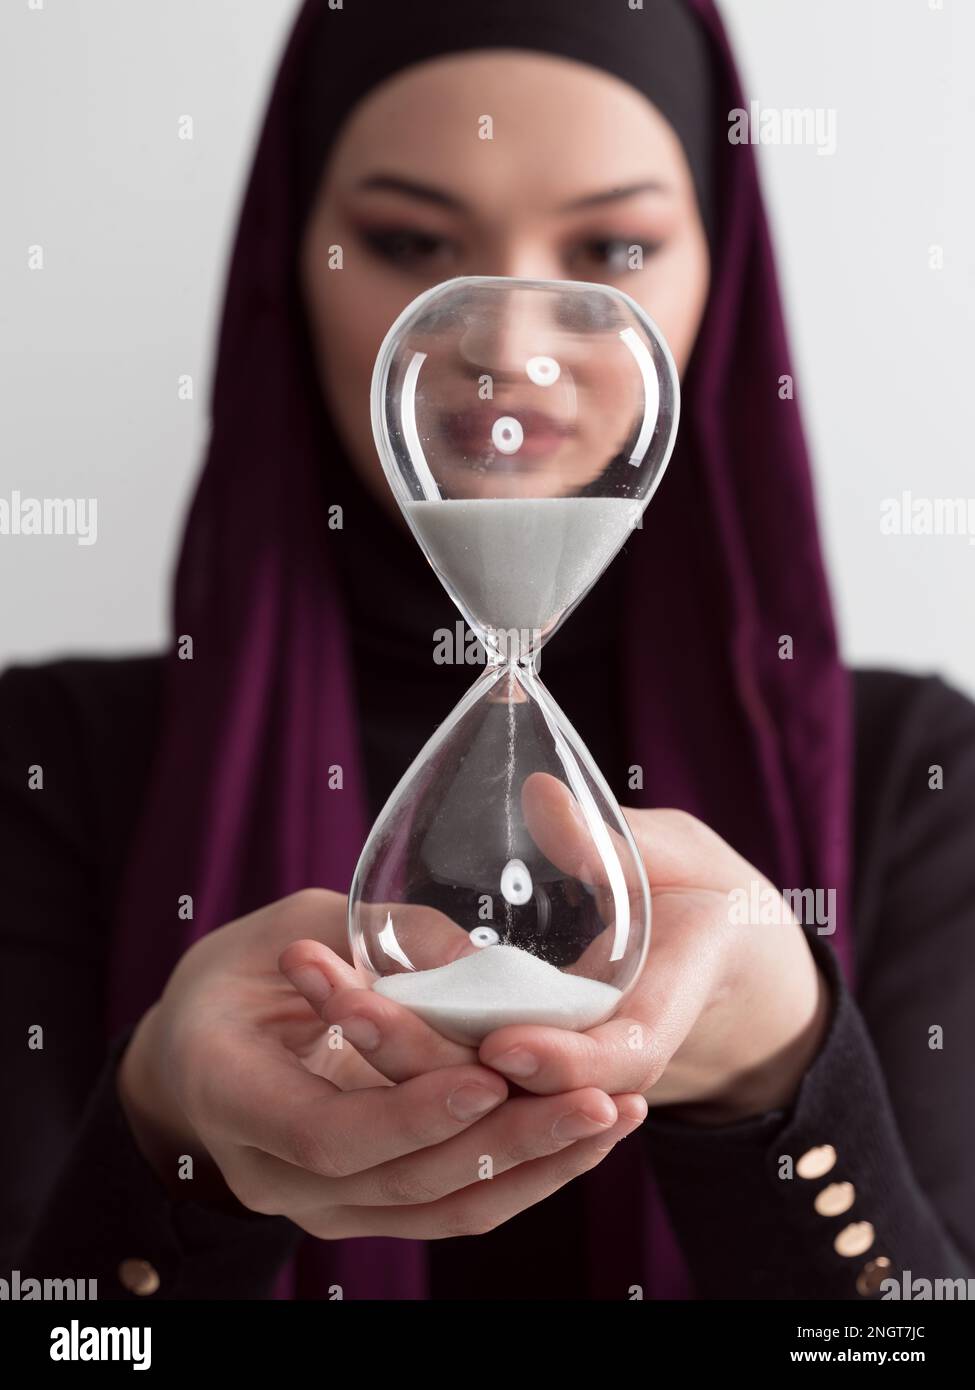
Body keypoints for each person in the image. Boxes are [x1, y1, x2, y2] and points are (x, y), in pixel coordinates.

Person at [1, 0, 973, 1303]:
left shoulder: (917, 774)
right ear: (285, 262)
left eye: (613, 247)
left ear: (719, 273)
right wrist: (166, 1143)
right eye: (408, 242)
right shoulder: (50, 763)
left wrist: (788, 1076)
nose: (508, 356)